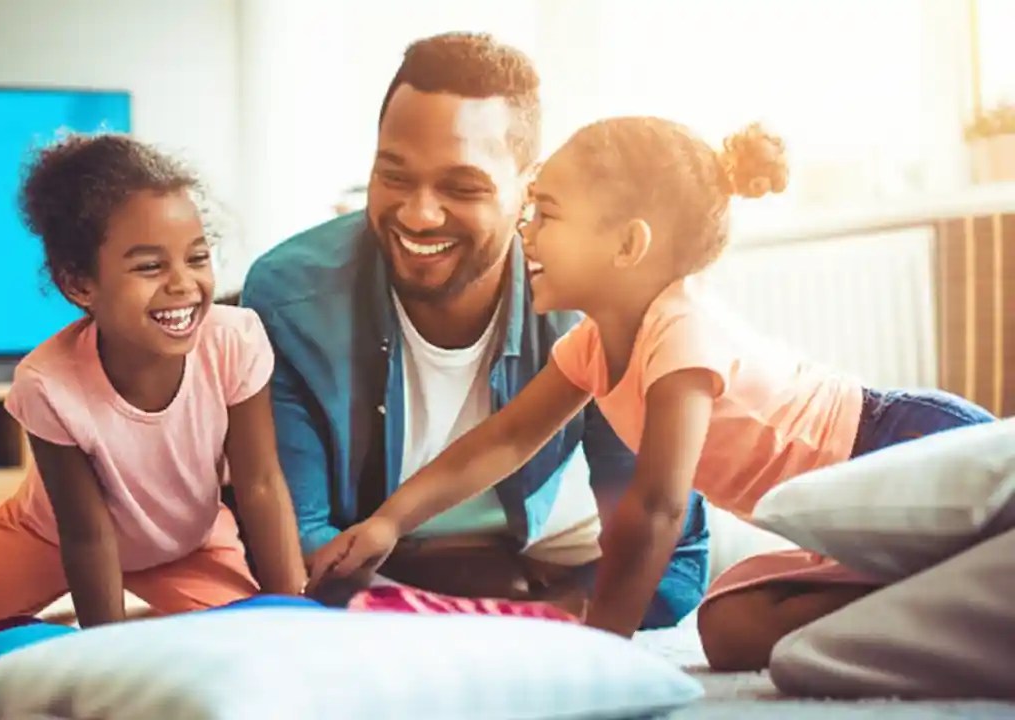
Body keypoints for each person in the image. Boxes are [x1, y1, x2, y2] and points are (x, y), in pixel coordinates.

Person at [309, 116, 995, 665]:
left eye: (546, 213)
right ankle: (946, 593)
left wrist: (605, 650)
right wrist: (390, 521)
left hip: (901, 457)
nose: (527, 231)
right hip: (836, 524)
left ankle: (970, 586)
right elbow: (504, 439)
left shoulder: (680, 331)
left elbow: (659, 508)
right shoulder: (591, 342)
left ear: (628, 246)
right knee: (727, 629)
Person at [241, 32, 710, 627]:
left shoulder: (595, 297)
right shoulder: (289, 300)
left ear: (528, 191)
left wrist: (568, 621)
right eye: (394, 177)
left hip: (555, 563)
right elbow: (299, 542)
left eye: (461, 187)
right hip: (385, 570)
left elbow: (667, 549)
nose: (419, 214)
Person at [0, 133, 307, 649]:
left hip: (188, 543)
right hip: (50, 540)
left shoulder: (236, 340)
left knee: (253, 639)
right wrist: (104, 659)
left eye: (197, 257)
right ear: (79, 284)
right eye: (150, 266)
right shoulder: (49, 385)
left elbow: (260, 485)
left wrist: (296, 615)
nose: (184, 283)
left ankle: (116, 614)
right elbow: (86, 535)